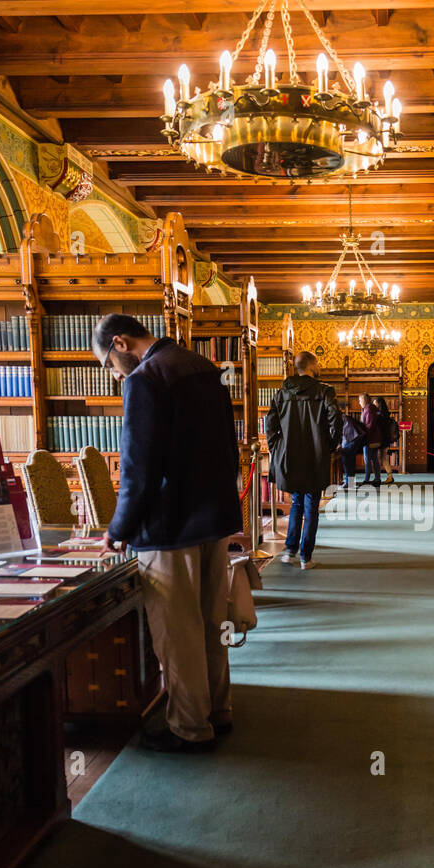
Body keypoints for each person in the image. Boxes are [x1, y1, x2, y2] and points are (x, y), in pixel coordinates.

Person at [92, 312, 241, 754]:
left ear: (120, 343)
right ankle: (218, 710)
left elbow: (139, 468)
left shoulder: (145, 379)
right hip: (213, 519)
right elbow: (230, 449)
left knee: (178, 633)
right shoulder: (202, 367)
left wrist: (118, 529)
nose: (113, 373)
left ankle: (189, 728)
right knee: (214, 622)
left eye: (108, 363)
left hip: (168, 526)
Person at [266, 350, 342, 569]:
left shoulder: (282, 392)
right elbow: (335, 420)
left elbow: (270, 424)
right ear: (312, 365)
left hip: (289, 456)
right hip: (314, 456)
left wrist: (276, 447)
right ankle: (305, 557)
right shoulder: (324, 391)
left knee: (296, 503)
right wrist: (329, 445)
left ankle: (290, 551)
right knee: (310, 506)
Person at [358, 392, 382, 488]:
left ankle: (367, 480)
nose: (359, 403)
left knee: (367, 459)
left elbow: (369, 425)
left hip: (369, 439)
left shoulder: (368, 409)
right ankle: (377, 478)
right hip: (375, 438)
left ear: (364, 400)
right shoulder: (371, 408)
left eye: (360, 400)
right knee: (374, 459)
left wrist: (363, 435)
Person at [339, 409, 366, 490]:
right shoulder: (344, 416)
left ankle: (349, 483)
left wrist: (338, 444)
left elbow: (338, 432)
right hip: (356, 438)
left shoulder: (338, 418)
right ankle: (350, 483)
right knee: (350, 461)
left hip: (351, 439)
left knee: (346, 461)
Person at [375, 395, 397, 485]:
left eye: (374, 403)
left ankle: (378, 477)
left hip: (381, 439)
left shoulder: (379, 414)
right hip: (386, 439)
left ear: (378, 403)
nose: (374, 404)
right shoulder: (386, 413)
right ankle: (389, 476)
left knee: (377, 458)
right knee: (383, 458)